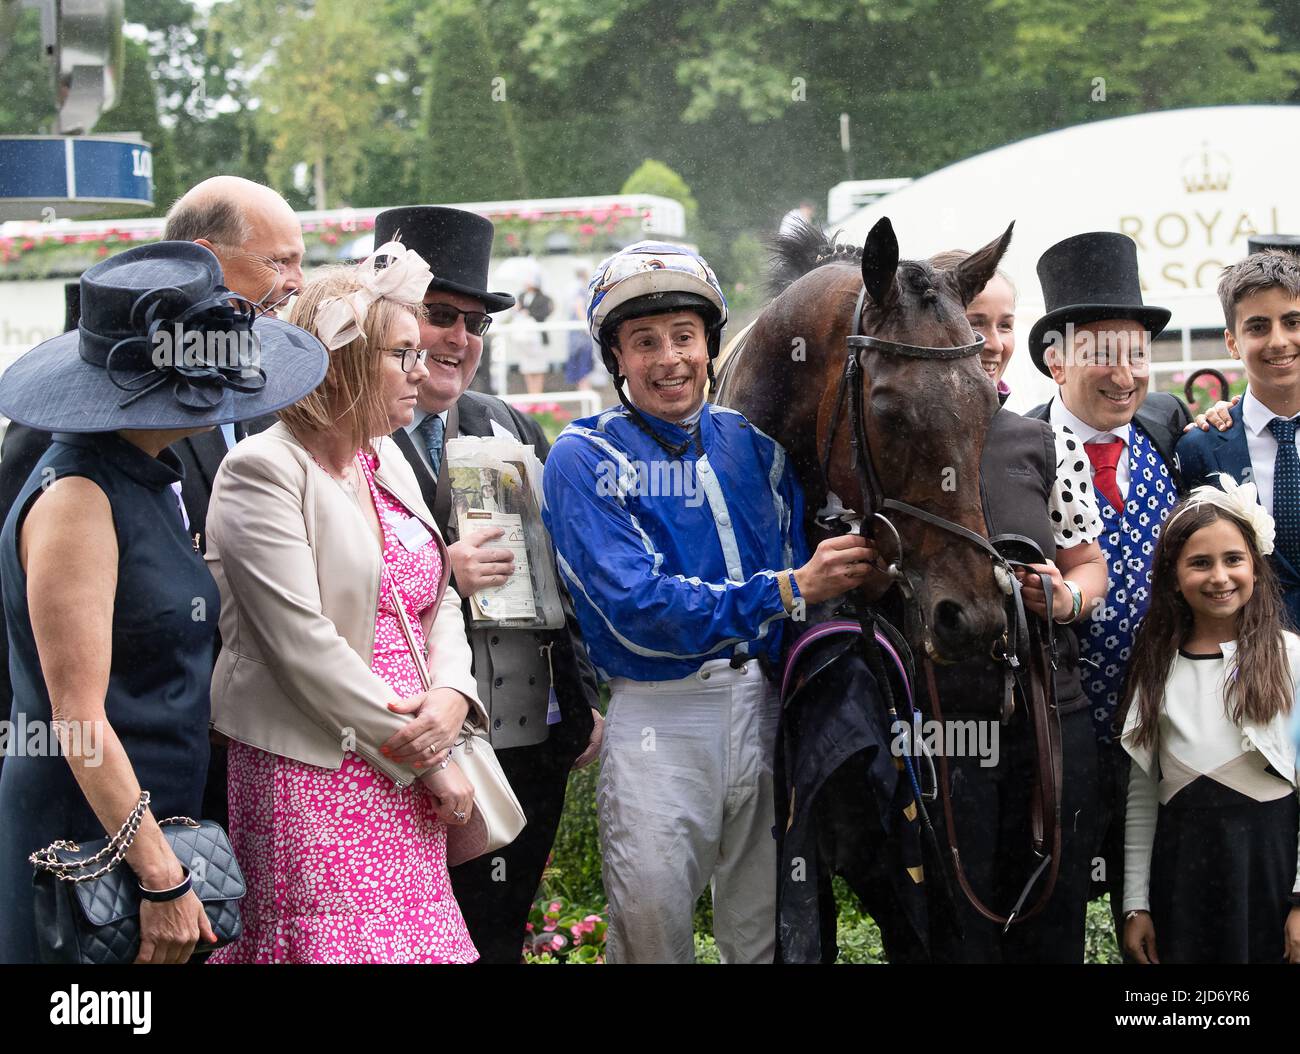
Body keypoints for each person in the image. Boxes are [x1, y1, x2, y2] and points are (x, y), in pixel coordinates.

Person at [542, 240, 875, 963]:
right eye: (645, 342)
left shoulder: (756, 450)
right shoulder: (583, 457)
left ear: (710, 345)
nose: (669, 358)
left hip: (761, 707)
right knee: (653, 935)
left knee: (759, 936)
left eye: (684, 337)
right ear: (617, 360)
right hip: (660, 714)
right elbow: (638, 605)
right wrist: (789, 589)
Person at [0, 241, 327, 963]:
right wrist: (160, 877)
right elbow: (78, 719)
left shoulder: (141, 477)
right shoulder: (79, 497)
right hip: (82, 848)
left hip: (141, 829)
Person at [204, 243, 486, 964]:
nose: (421, 373)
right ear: (344, 362)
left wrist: (453, 694)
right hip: (316, 772)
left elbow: (435, 593)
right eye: (401, 355)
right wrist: (427, 758)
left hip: (414, 755)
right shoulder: (260, 469)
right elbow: (301, 648)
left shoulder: (383, 454)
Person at [0, 177, 306, 808]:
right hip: (93, 815)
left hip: (197, 771)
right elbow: (44, 667)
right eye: (280, 261)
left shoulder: (232, 427)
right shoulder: (66, 456)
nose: (297, 282)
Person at [375, 205, 602, 963]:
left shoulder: (505, 422)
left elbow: (557, 575)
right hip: (416, 742)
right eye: (440, 316)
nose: (460, 340)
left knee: (500, 935)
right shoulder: (350, 436)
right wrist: (444, 568)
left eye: (475, 323)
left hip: (528, 737)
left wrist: (583, 701)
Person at [896, 247, 1109, 964]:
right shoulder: (897, 439)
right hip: (944, 719)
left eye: (1004, 323)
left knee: (1055, 917)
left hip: (1052, 711)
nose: (990, 340)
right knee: (960, 925)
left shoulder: (1043, 440)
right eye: (974, 321)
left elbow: (1087, 563)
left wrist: (1067, 596)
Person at [1118, 478, 1300, 963]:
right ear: (1173, 577)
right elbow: (1142, 791)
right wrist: (1136, 902)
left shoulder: (1290, 657)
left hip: (1268, 866)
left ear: (1256, 569)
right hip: (1183, 869)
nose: (1219, 576)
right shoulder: (1155, 666)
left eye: (1233, 560)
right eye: (1200, 563)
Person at [1178, 250, 1300, 628]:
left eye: (1292, 322)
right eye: (1258, 327)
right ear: (1232, 342)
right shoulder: (1200, 448)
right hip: (1252, 657)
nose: (1278, 341)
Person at [564, 267, 596, 390]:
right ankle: (584, 386)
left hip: (575, 332)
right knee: (583, 358)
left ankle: (582, 385)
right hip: (581, 333)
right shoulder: (580, 288)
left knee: (578, 358)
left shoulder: (571, 287)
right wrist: (585, 324)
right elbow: (578, 306)